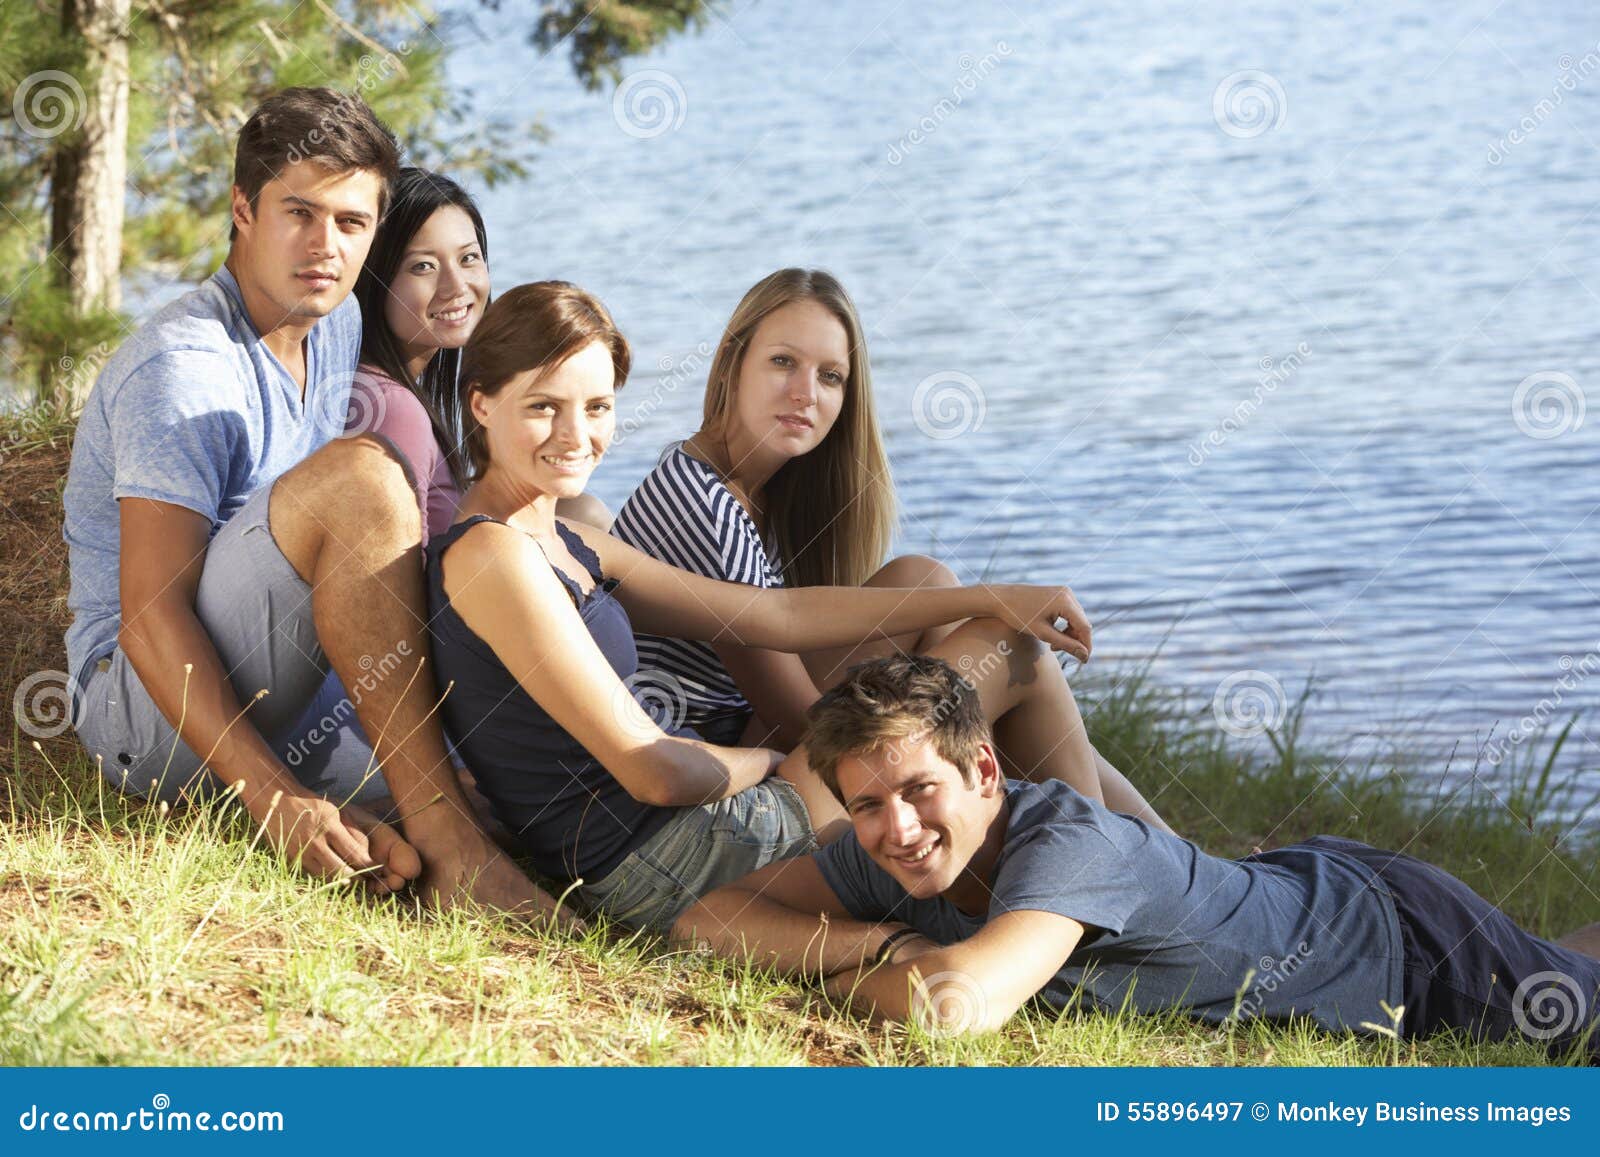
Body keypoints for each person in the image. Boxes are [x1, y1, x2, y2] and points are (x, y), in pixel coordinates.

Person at [425, 280, 1119, 935]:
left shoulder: (559, 539)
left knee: (982, 620)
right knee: (1011, 650)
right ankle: (1110, 884)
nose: (576, 435)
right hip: (670, 856)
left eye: (598, 407)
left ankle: (1123, 864)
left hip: (677, 834)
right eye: (544, 406)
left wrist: (991, 594)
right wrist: (767, 760)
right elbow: (656, 771)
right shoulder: (496, 555)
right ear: (481, 403)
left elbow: (773, 616)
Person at [61, 87, 554, 917]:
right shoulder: (182, 371)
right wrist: (274, 798)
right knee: (363, 479)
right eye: (300, 213)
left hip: (283, 685)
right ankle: (449, 852)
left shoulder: (334, 323)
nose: (327, 245)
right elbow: (149, 618)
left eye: (352, 222)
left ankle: (432, 829)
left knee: (508, 795)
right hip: (144, 712)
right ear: (242, 209)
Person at [676, 654, 1600, 1057]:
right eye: (868, 804)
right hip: (1296, 883)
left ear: (985, 768)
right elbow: (704, 918)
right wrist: (880, 944)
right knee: (1563, 955)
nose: (899, 828)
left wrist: (849, 970)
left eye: (920, 790)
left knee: (1580, 1013)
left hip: (1401, 946)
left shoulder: (1068, 846)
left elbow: (954, 1006)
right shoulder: (884, 852)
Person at [612, 267, 1169, 830]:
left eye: (830, 376)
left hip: (746, 740)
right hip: (716, 792)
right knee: (998, 650)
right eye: (783, 361)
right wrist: (983, 620)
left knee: (925, 583)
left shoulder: (755, 492)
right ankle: (1110, 857)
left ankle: (1162, 854)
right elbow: (797, 718)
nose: (806, 393)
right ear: (733, 364)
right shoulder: (702, 506)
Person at [289, 166, 607, 785]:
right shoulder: (392, 409)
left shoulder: (404, 386)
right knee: (587, 523)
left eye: (469, 258)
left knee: (581, 515)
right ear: (374, 277)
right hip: (442, 683)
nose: (458, 286)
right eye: (423, 267)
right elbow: (393, 603)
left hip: (460, 642)